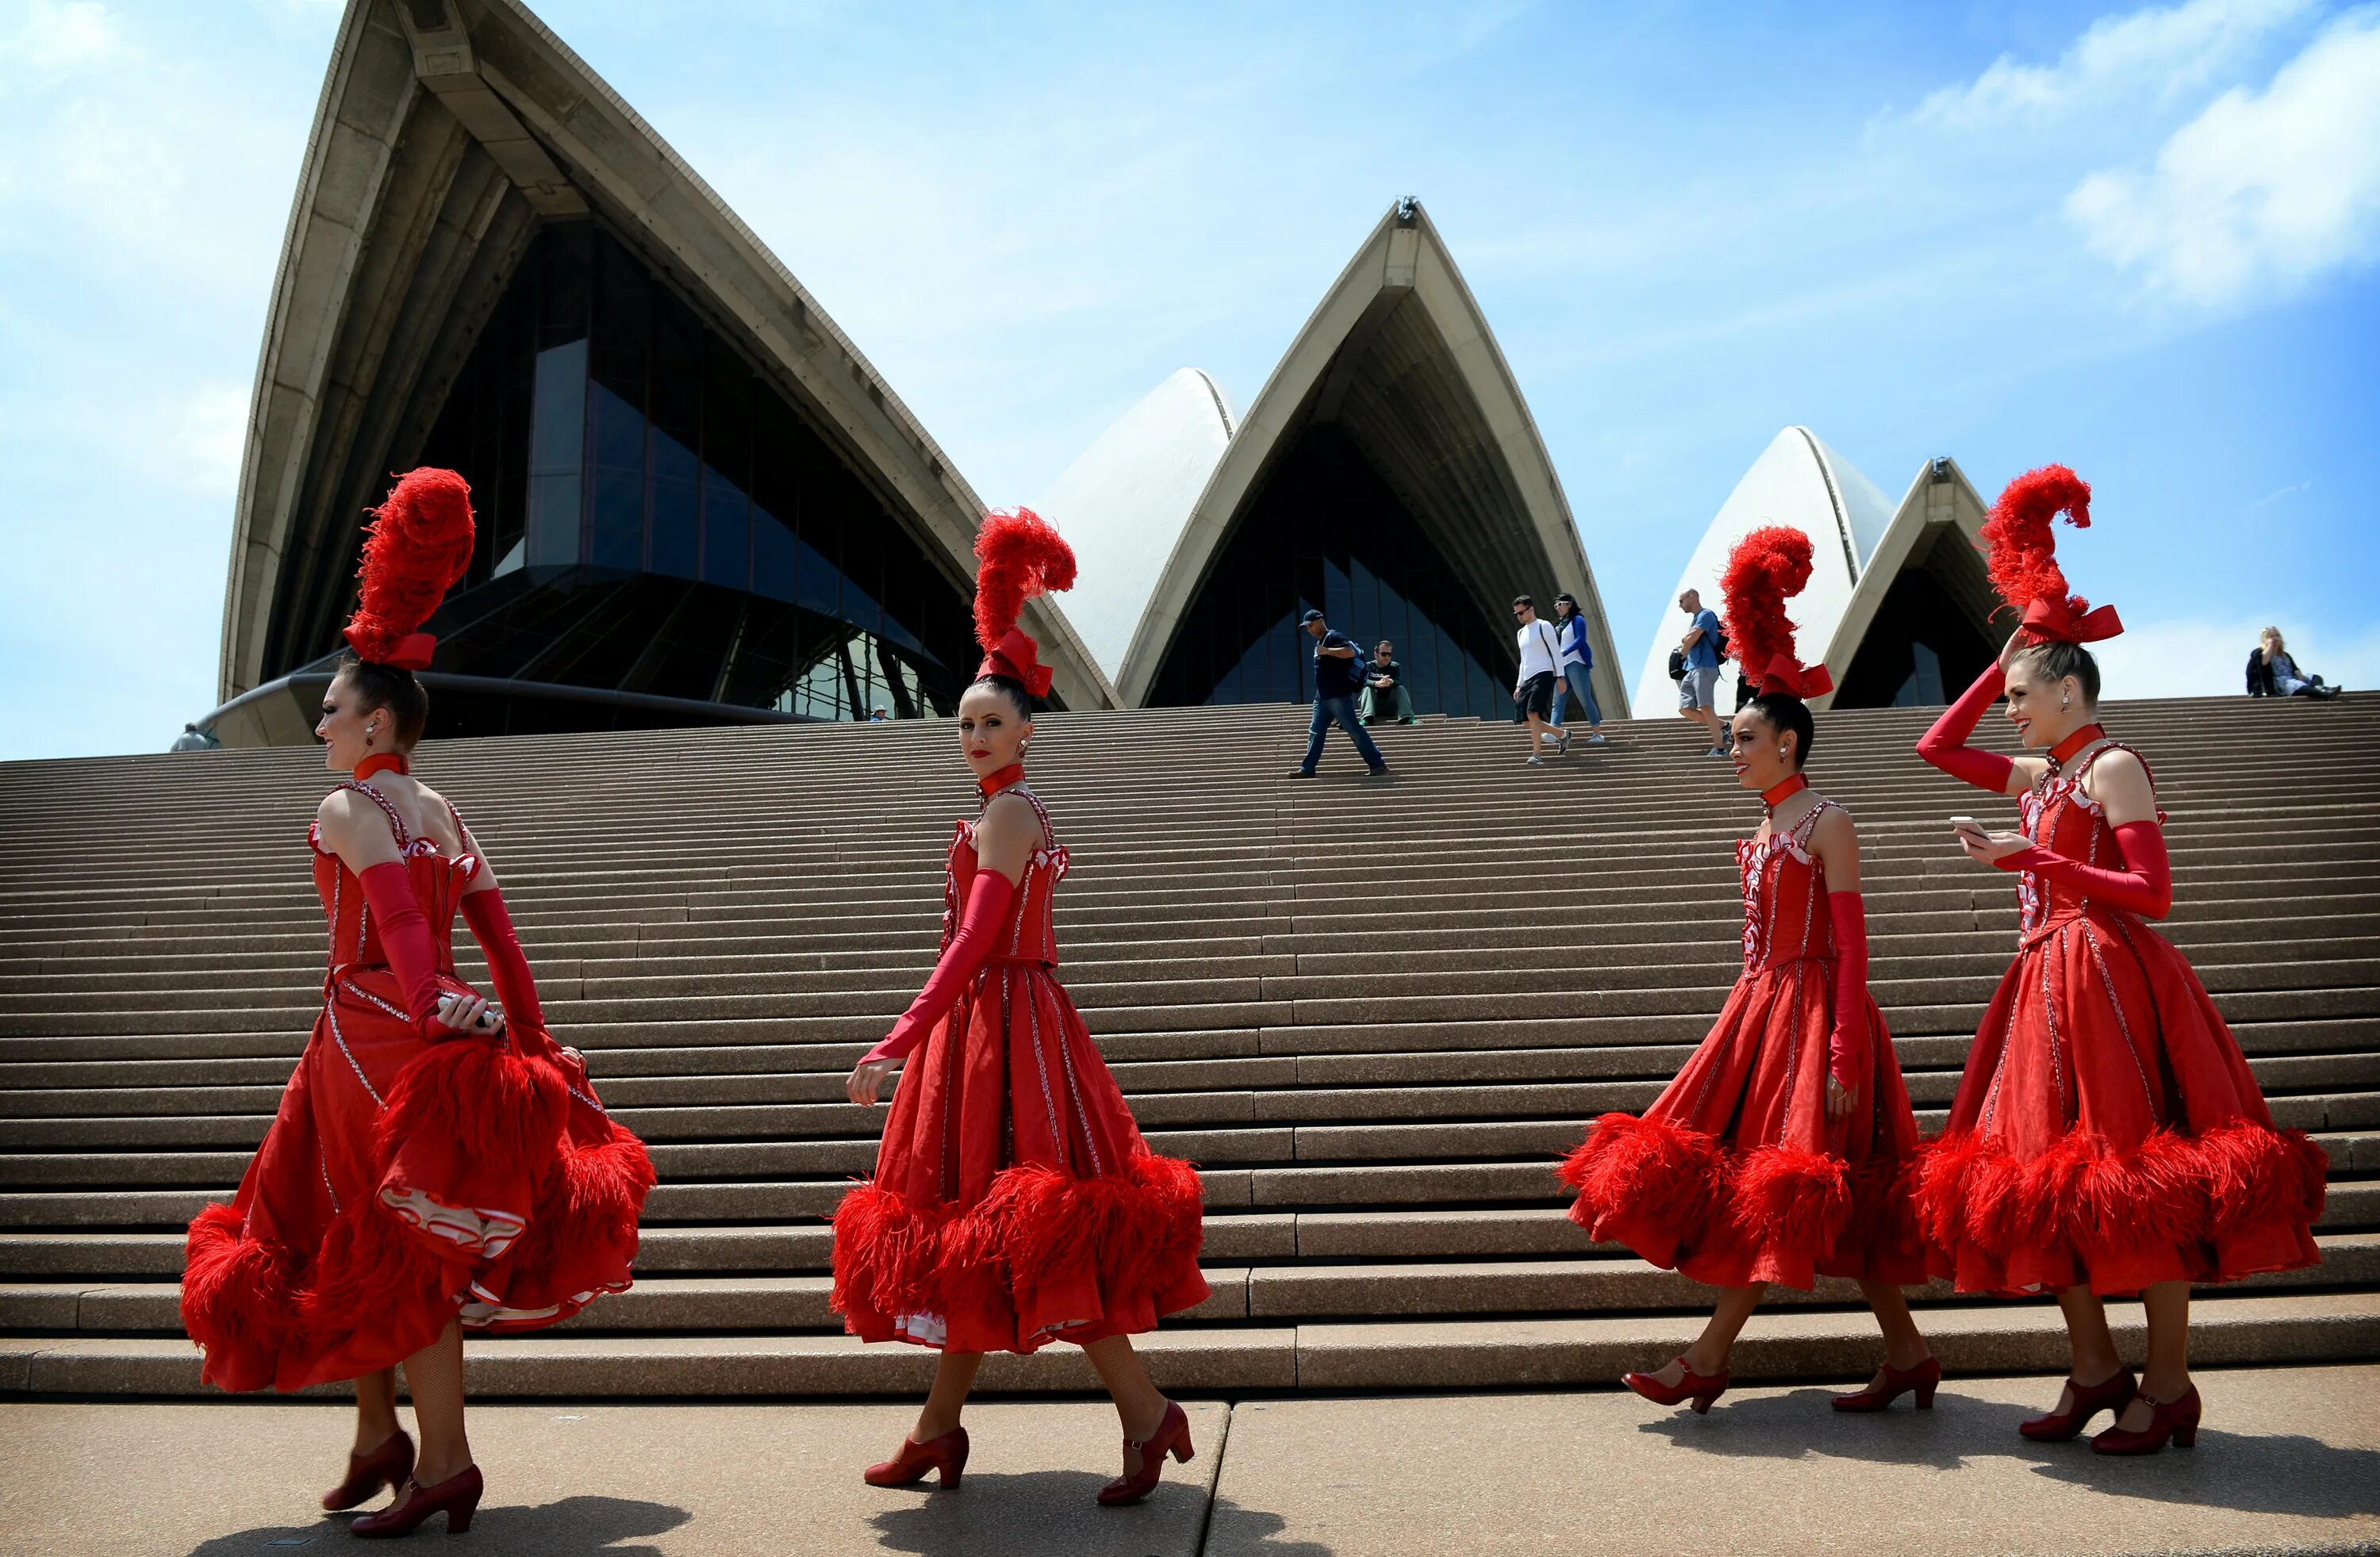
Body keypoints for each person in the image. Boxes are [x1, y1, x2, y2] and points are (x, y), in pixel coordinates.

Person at [180, 469, 654, 1536]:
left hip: (370, 1037)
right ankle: (378, 1437)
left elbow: (398, 923)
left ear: (378, 716)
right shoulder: (440, 804)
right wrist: (527, 1038)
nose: (320, 729)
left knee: (393, 1252)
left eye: (333, 710)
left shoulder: (348, 805)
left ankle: (443, 1461)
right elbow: (501, 930)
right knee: (364, 1236)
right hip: (423, 1034)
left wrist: (441, 1000)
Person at [1915, 466, 2324, 1455]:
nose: (2009, 710)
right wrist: (2003, 652)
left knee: (2139, 1177)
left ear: (2069, 691)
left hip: (2105, 979)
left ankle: (2171, 1383)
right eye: (2007, 695)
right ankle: (2096, 1367)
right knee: (2042, 1178)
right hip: (2042, 982)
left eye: (2021, 694)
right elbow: (1935, 744)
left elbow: (2155, 895)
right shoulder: (2040, 771)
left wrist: (2037, 855)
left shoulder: (2111, 766)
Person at [834, 508, 1211, 1508]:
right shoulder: (1009, 807)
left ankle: (1144, 1411)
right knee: (980, 1238)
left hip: (1003, 1030)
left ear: (1027, 731)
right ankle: (938, 1428)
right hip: (1008, 1027)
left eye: (991, 722)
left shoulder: (1008, 811)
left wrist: (898, 1038)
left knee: (1036, 1233)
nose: (973, 736)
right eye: (963, 723)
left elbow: (976, 939)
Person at [1562, 527, 1933, 1417]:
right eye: (1730, 737)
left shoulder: (1826, 823)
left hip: (1818, 1018)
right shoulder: (1761, 833)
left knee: (1788, 1183)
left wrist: (1844, 1052)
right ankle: (1911, 1354)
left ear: (1789, 746)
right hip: (1761, 1015)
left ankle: (1707, 1355)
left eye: (1744, 738)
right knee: (1808, 1191)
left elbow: (1853, 944)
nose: (1731, 750)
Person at [1287, 608, 1390, 778]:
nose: (1309, 629)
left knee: (1354, 730)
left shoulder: (1333, 636)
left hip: (1337, 696)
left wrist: (1327, 651)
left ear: (1320, 621)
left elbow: (1348, 651)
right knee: (1315, 732)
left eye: (1311, 625)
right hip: (1322, 698)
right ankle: (1307, 769)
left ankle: (1378, 765)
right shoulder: (1321, 642)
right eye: (1307, 627)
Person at [1512, 596, 1570, 765]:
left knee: (1532, 714)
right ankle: (1562, 735)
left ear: (1531, 609)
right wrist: (1519, 684)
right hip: (1527, 677)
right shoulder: (1520, 633)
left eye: (1521, 612)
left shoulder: (1544, 626)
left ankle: (1536, 754)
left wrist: (1560, 676)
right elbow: (1523, 660)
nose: (1519, 616)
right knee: (1526, 721)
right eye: (1516, 613)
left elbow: (1555, 652)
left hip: (1544, 673)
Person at [1547, 593, 1606, 743]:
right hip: (1562, 666)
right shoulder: (1559, 625)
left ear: (1569, 604)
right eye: (1556, 605)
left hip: (1575, 662)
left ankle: (1597, 733)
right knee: (1557, 701)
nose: (1558, 608)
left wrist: (1564, 652)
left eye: (1561, 604)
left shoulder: (1578, 620)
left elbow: (1580, 640)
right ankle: (1554, 731)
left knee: (1584, 698)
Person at [1676, 588, 1727, 756]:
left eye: (1681, 601)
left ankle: (1720, 748)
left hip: (1705, 666)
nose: (1680, 605)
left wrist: (1686, 640)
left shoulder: (1706, 615)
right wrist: (1687, 641)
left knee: (1705, 706)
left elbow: (1691, 639)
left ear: (1692, 597)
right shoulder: (1695, 620)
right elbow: (1686, 645)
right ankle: (1725, 726)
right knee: (1685, 709)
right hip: (1691, 669)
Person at [2246, 628, 2339, 698]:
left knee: (2315, 677)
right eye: (2271, 637)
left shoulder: (2285, 655)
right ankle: (2323, 694)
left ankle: (2320, 688)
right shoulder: (2260, 652)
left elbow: (2294, 667)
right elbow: (2264, 662)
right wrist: (2270, 646)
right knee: (2299, 685)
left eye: (2277, 635)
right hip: (2280, 681)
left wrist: (2299, 674)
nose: (2275, 638)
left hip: (2292, 677)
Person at [1358, 640, 1416, 725]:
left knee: (1400, 688)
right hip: (1373, 707)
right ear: (1376, 654)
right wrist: (1376, 684)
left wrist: (1390, 682)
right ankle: (1367, 719)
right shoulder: (1368, 666)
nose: (1387, 657)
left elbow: (1399, 681)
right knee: (1367, 688)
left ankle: (1406, 718)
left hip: (1391, 706)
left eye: (1389, 654)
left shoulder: (1394, 666)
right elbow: (1362, 681)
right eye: (1384, 654)